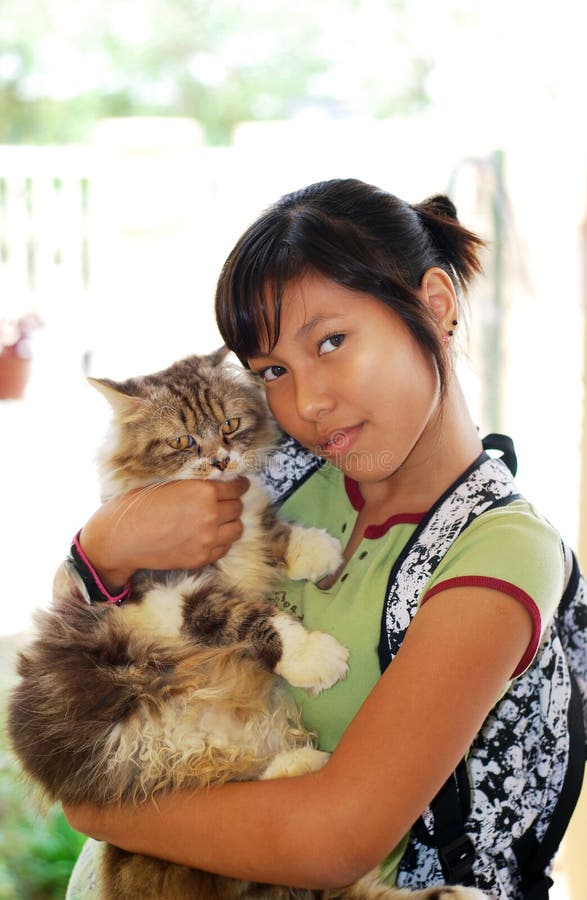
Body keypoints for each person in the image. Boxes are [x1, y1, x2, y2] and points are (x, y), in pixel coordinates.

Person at [63, 178, 578, 898]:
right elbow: (82, 641)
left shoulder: (499, 552)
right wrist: (104, 545)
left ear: (435, 306)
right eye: (272, 370)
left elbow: (330, 840)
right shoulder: (276, 470)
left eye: (331, 342)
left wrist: (98, 802)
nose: (306, 402)